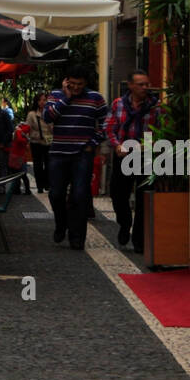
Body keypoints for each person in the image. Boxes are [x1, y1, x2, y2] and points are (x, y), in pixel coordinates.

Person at [42, 63, 109, 249]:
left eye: (80, 84)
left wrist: (93, 143)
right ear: (66, 82)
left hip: (82, 154)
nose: (76, 87)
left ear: (86, 82)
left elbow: (107, 124)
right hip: (58, 153)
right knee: (56, 194)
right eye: (72, 84)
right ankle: (61, 225)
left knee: (79, 196)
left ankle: (77, 237)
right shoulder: (56, 95)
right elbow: (47, 117)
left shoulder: (95, 98)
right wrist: (66, 97)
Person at [105, 69, 162, 252]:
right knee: (118, 195)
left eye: (147, 84)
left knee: (143, 197)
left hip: (146, 155)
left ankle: (140, 240)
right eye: (141, 84)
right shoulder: (119, 104)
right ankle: (124, 222)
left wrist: (152, 145)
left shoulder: (156, 106)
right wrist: (116, 145)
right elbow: (110, 127)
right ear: (130, 85)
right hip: (124, 154)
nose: (145, 87)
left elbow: (162, 130)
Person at [25, 91, 53, 195]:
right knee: (37, 165)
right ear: (36, 102)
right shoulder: (32, 114)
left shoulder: (51, 113)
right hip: (36, 142)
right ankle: (39, 186)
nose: (42, 102)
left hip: (49, 142)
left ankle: (47, 184)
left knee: (49, 164)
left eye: (44, 100)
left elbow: (53, 127)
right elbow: (28, 129)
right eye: (40, 100)